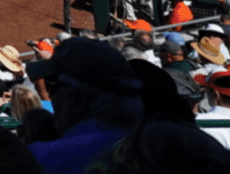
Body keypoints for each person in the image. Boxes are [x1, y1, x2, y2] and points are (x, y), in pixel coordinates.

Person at [25, 38, 143, 173]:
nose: (51, 97)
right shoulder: (158, 148)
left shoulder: (38, 159)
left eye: (51, 87)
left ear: (78, 99)